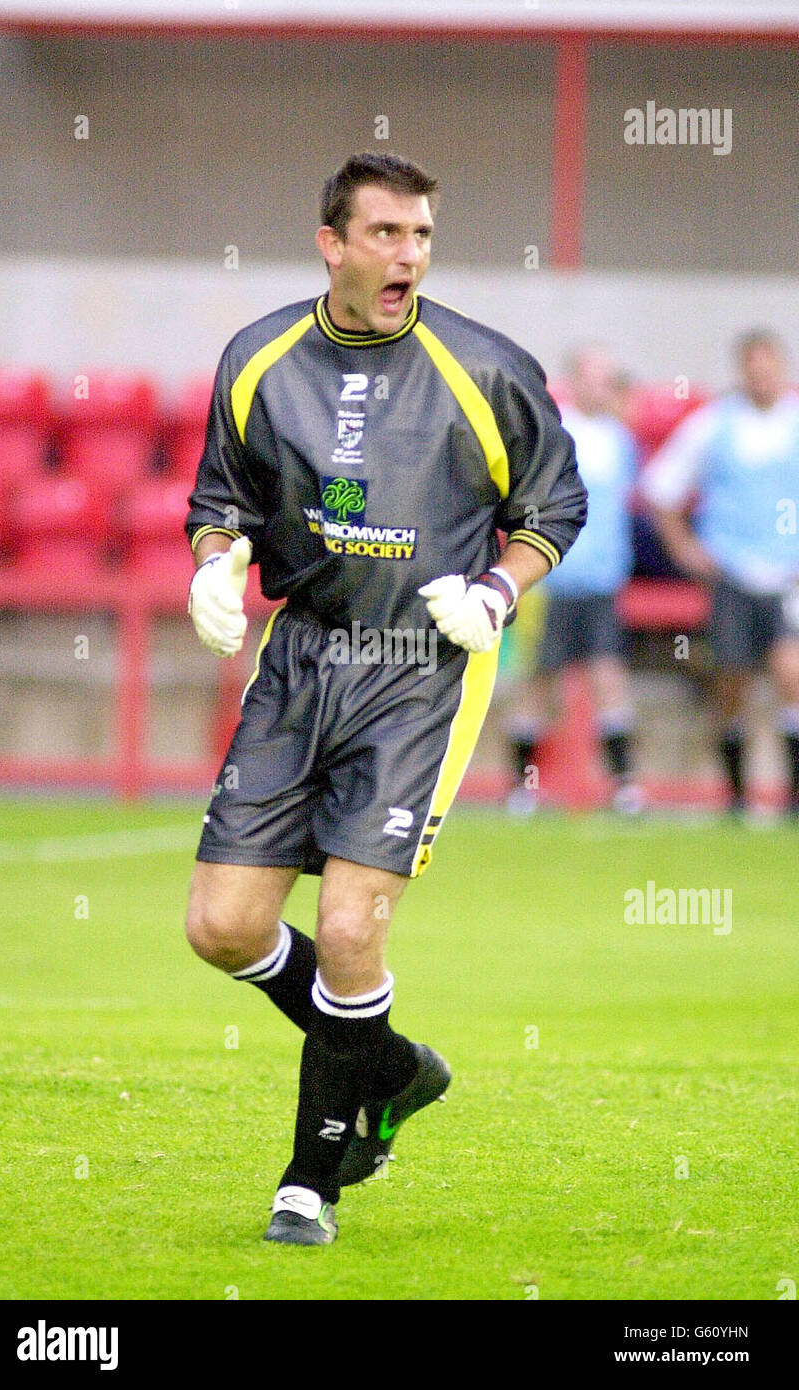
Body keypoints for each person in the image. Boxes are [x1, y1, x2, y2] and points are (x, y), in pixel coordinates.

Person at [183, 152, 587, 1246]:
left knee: (351, 926)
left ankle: (308, 1183)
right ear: (333, 245)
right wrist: (214, 564)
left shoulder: (485, 367)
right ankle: (393, 1063)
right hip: (300, 659)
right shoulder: (257, 358)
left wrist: (499, 591)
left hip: (420, 674)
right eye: (386, 235)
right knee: (221, 928)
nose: (408, 254)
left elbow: (557, 504)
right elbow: (221, 498)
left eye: (420, 235)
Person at [640, 330, 799, 816]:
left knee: (791, 673)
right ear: (742, 371)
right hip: (732, 572)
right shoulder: (713, 425)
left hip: (786, 576)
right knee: (733, 682)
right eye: (754, 367)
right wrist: (687, 549)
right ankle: (735, 791)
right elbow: (660, 490)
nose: (763, 376)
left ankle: (792, 795)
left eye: (770, 367)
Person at [505, 345, 641, 814]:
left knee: (609, 677)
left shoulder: (621, 439)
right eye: (594, 378)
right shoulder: (555, 433)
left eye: (609, 379)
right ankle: (522, 787)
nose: (603, 388)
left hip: (601, 585)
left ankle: (624, 785)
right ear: (575, 381)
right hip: (550, 581)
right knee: (538, 683)